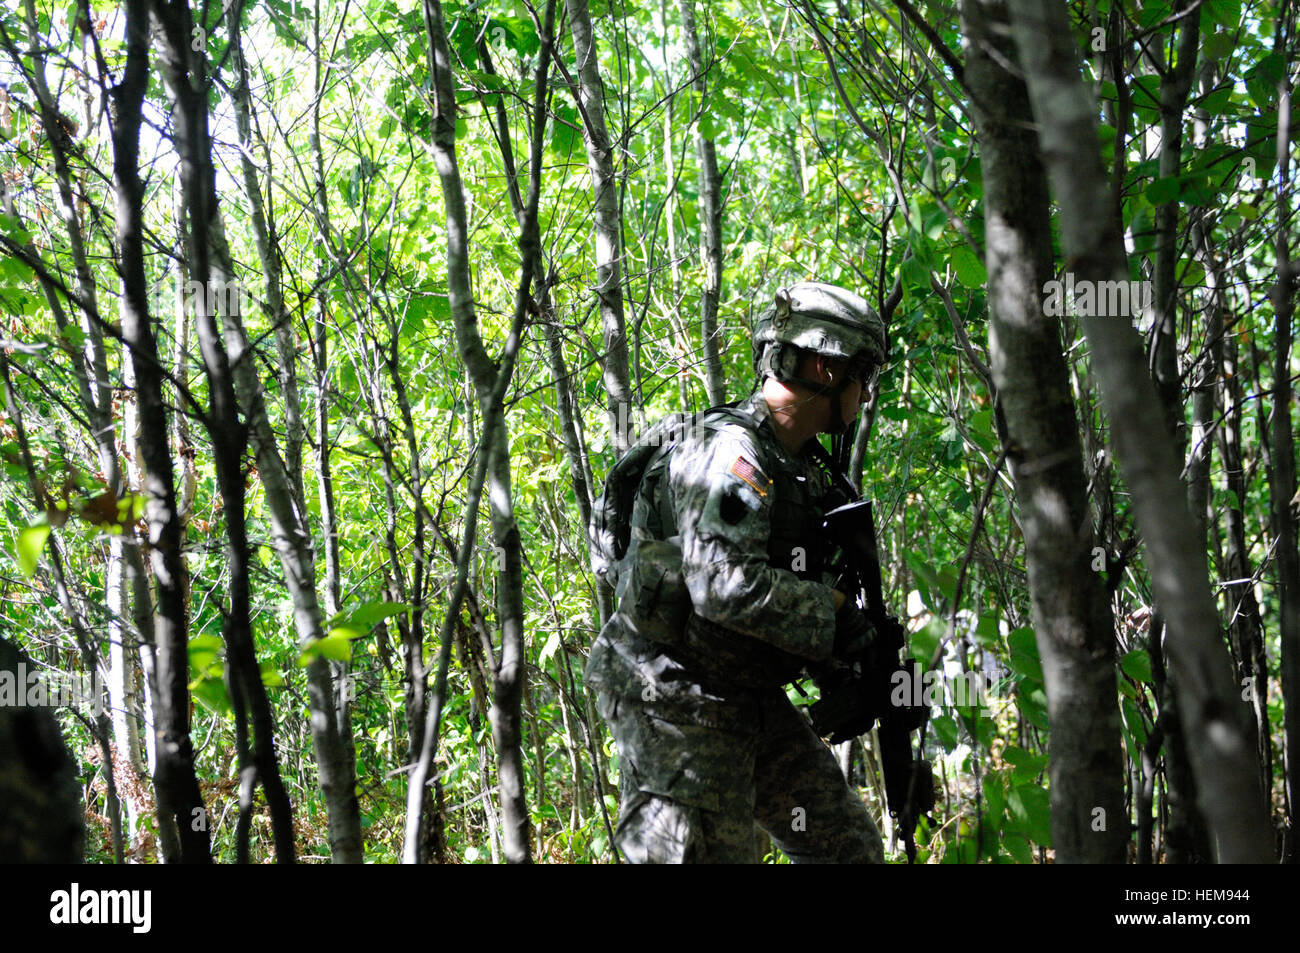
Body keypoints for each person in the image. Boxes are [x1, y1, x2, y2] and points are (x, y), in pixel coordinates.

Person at [585, 281, 889, 863]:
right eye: (862, 377)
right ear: (825, 369)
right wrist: (831, 612)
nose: (865, 395)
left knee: (846, 847)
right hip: (674, 699)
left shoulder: (803, 469)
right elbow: (724, 586)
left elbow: (783, 581)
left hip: (743, 693)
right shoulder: (732, 454)